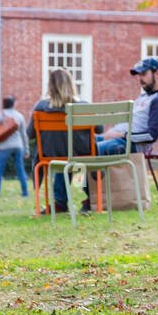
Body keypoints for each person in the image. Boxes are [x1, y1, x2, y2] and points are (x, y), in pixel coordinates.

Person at [26, 68, 98, 214]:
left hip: (51, 156)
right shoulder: (83, 106)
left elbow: (30, 134)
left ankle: (59, 202)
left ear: (50, 87)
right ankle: (91, 199)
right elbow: (99, 129)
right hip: (80, 155)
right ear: (71, 84)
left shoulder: (41, 107)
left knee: (62, 151)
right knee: (80, 149)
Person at [97, 57, 158, 156]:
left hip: (132, 145)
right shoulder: (144, 96)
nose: (140, 79)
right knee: (80, 144)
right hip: (119, 139)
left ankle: (88, 171)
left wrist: (121, 135)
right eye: (139, 75)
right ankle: (77, 171)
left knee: (92, 150)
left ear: (157, 74)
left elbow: (151, 136)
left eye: (144, 74)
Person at [0, 95, 30, 198]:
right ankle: (25, 191)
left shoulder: (1, 114)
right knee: (20, 169)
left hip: (5, 146)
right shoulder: (19, 116)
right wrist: (27, 150)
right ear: (14, 104)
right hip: (18, 145)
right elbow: (24, 134)